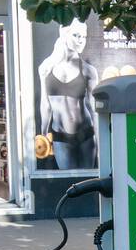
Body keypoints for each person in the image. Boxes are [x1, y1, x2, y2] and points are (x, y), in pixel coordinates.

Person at [38, 19, 99, 170]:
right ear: (65, 35)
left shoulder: (89, 70)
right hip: (60, 136)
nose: (81, 40)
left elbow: (94, 108)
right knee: (68, 180)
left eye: (83, 36)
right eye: (76, 35)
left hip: (86, 133)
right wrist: (43, 133)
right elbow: (45, 104)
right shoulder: (46, 68)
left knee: (89, 179)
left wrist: (100, 139)